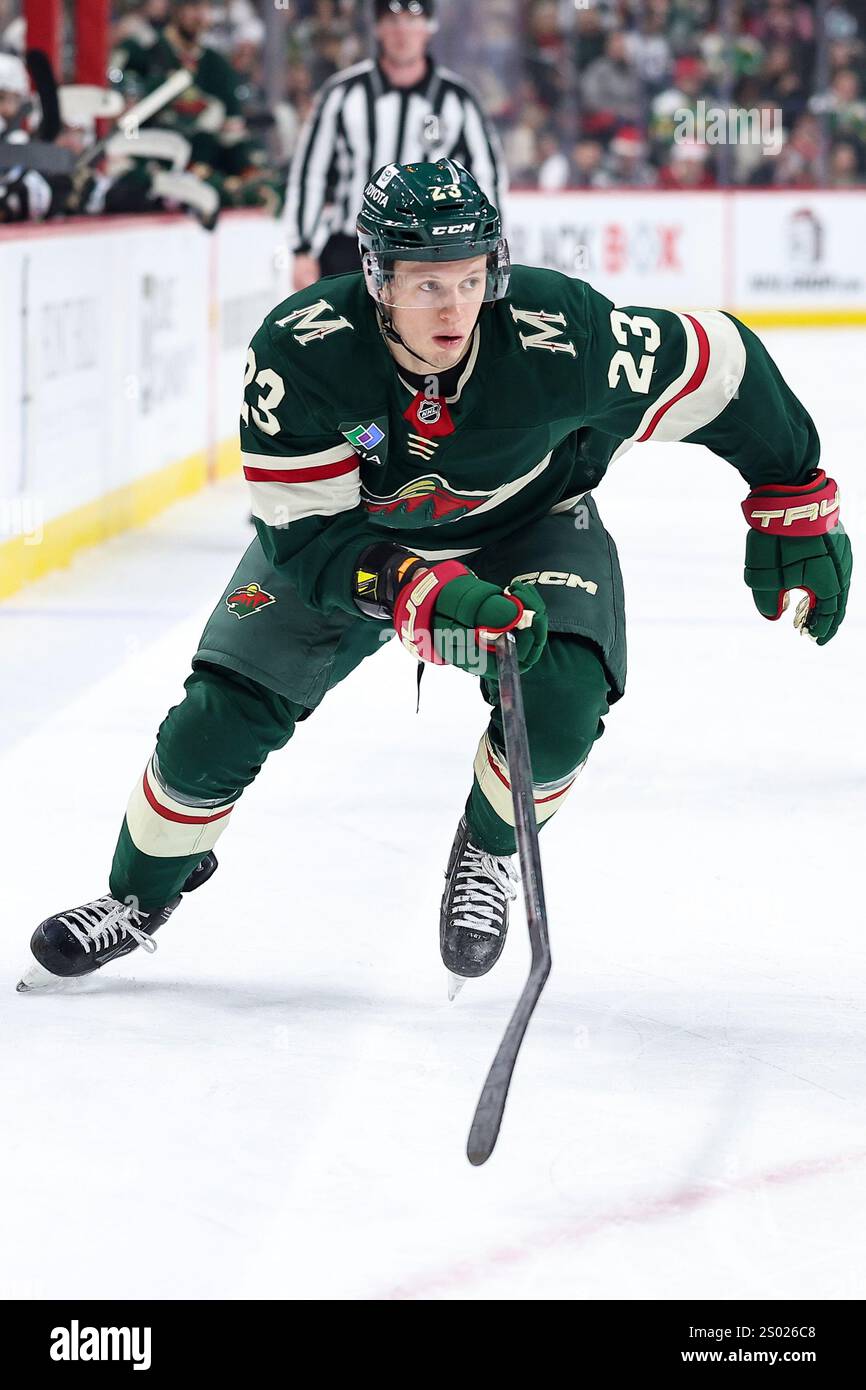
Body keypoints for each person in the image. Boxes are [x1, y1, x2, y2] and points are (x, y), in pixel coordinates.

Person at [18, 159, 852, 994]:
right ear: (377, 277)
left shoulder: (559, 332)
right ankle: (139, 895)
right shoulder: (302, 352)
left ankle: (489, 850)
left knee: (561, 702)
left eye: (469, 278)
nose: (453, 307)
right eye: (425, 285)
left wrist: (793, 495)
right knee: (214, 723)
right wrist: (419, 594)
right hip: (356, 540)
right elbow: (307, 541)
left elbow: (723, 367)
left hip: (530, 519)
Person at [286, 0, 506, 291]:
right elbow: (309, 172)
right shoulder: (342, 94)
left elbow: (487, 177)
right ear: (377, 28)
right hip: (350, 247)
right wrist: (302, 250)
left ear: (429, 26)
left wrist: (487, 247)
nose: (402, 31)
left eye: (412, 19)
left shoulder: (458, 100)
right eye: (392, 20)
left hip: (431, 247)